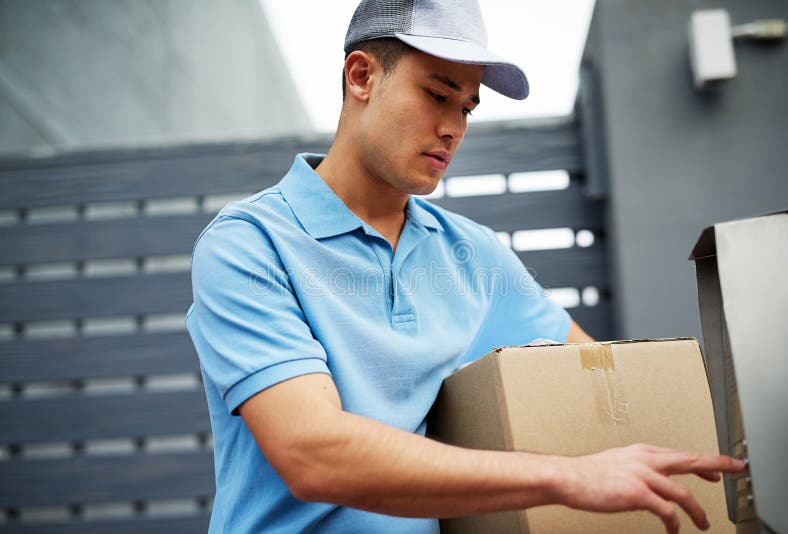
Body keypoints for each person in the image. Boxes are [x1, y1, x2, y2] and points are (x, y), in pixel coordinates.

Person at [186, 1, 744, 532]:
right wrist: (565, 476)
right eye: (436, 94)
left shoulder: (473, 255)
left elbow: (600, 382)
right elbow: (313, 455)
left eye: (467, 107)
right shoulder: (250, 245)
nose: (454, 127)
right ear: (361, 77)